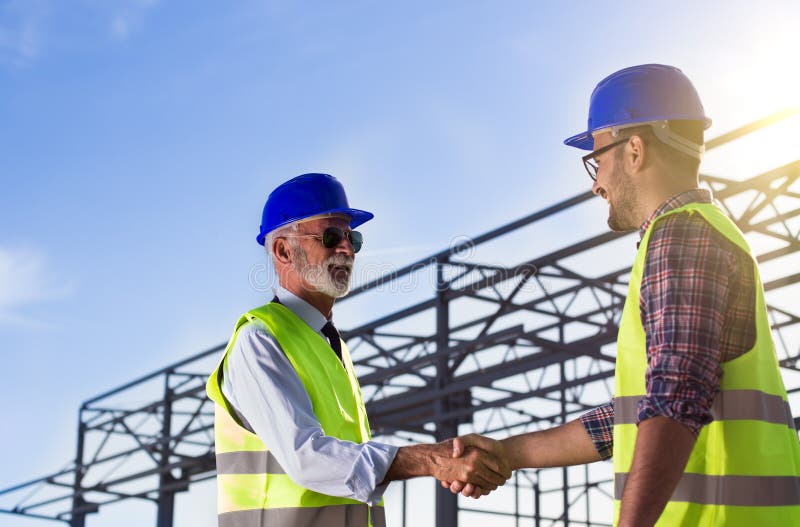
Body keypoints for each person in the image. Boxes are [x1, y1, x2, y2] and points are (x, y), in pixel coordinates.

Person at [444, 65, 800, 526]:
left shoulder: (681, 237)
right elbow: (637, 417)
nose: (595, 183)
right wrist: (508, 453)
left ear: (634, 149)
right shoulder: (695, 233)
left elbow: (674, 401)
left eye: (597, 159)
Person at [206, 173, 510, 527]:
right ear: (283, 250)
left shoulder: (329, 344)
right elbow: (308, 458)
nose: (347, 249)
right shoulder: (260, 341)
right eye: (331, 236)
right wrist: (432, 460)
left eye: (353, 238)